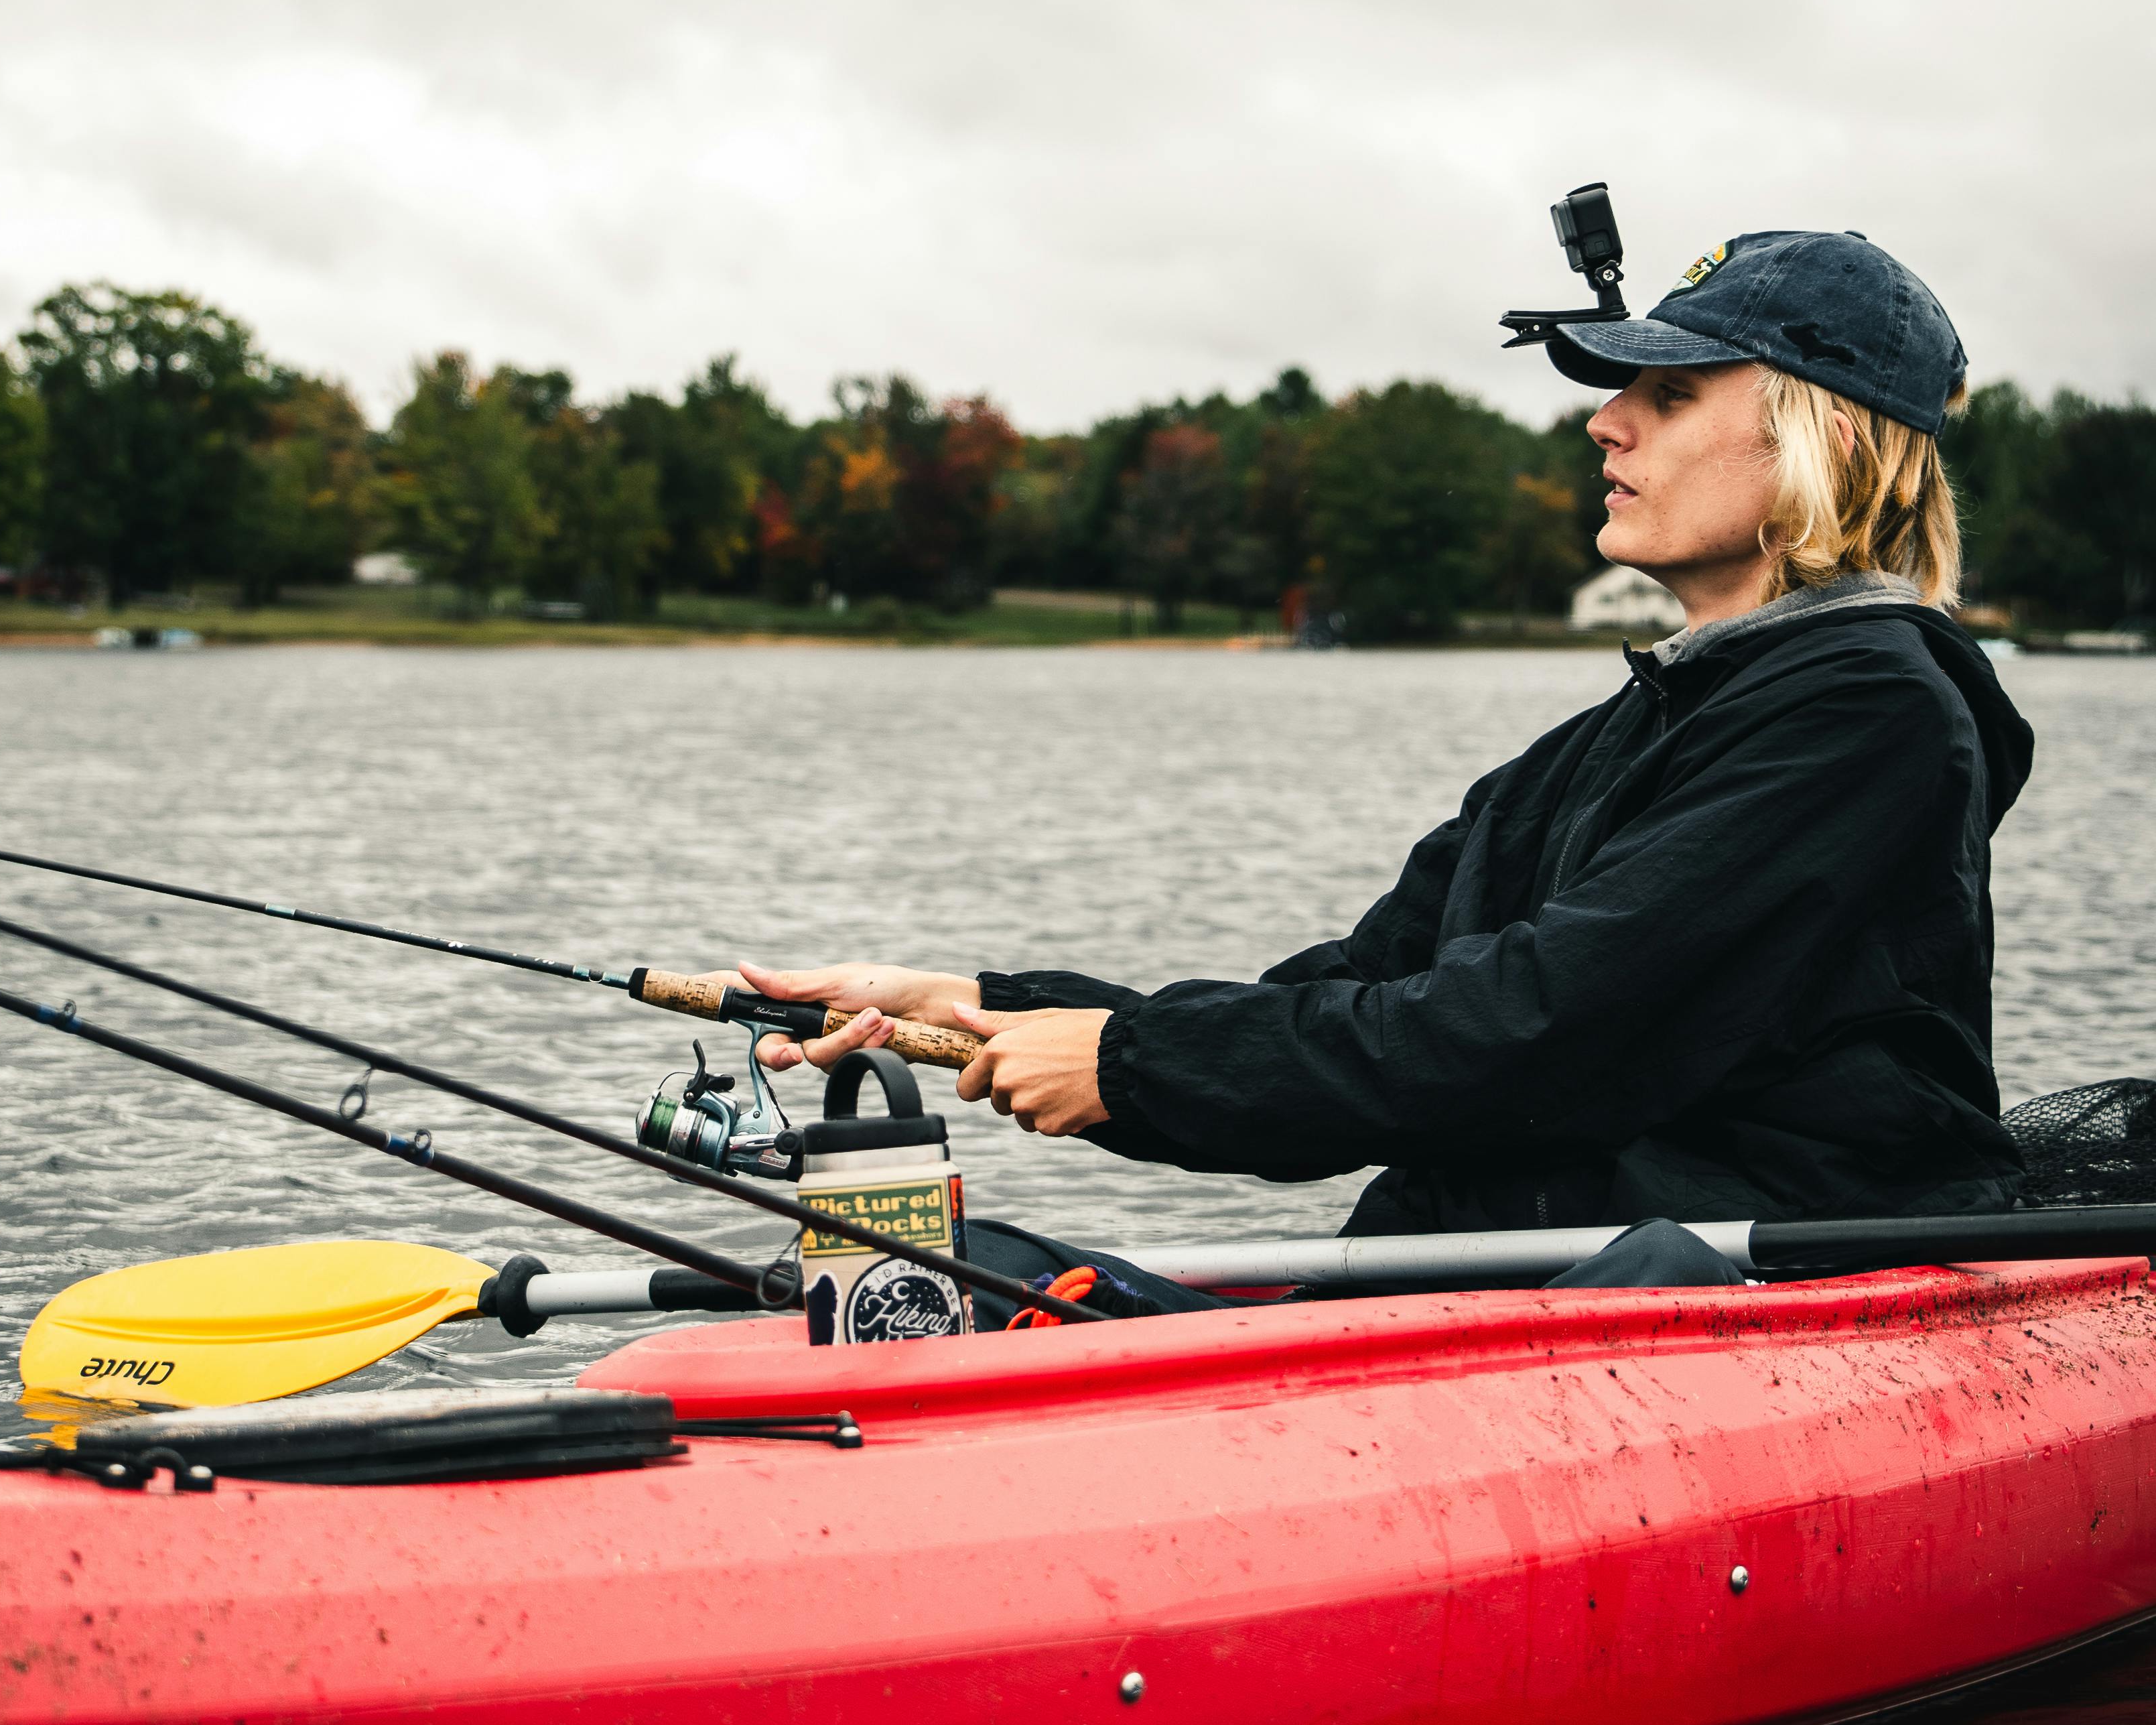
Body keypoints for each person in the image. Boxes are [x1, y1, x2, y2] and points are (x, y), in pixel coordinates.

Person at [740, 225, 2032, 1234]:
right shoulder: (1595, 750)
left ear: (1826, 437)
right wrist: (976, 1006)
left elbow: (1541, 1032)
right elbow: (1356, 1006)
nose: (1606, 420)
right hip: (1511, 1284)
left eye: (1673, 392)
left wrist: (1129, 1064)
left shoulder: (1871, 716)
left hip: (1723, 1322)